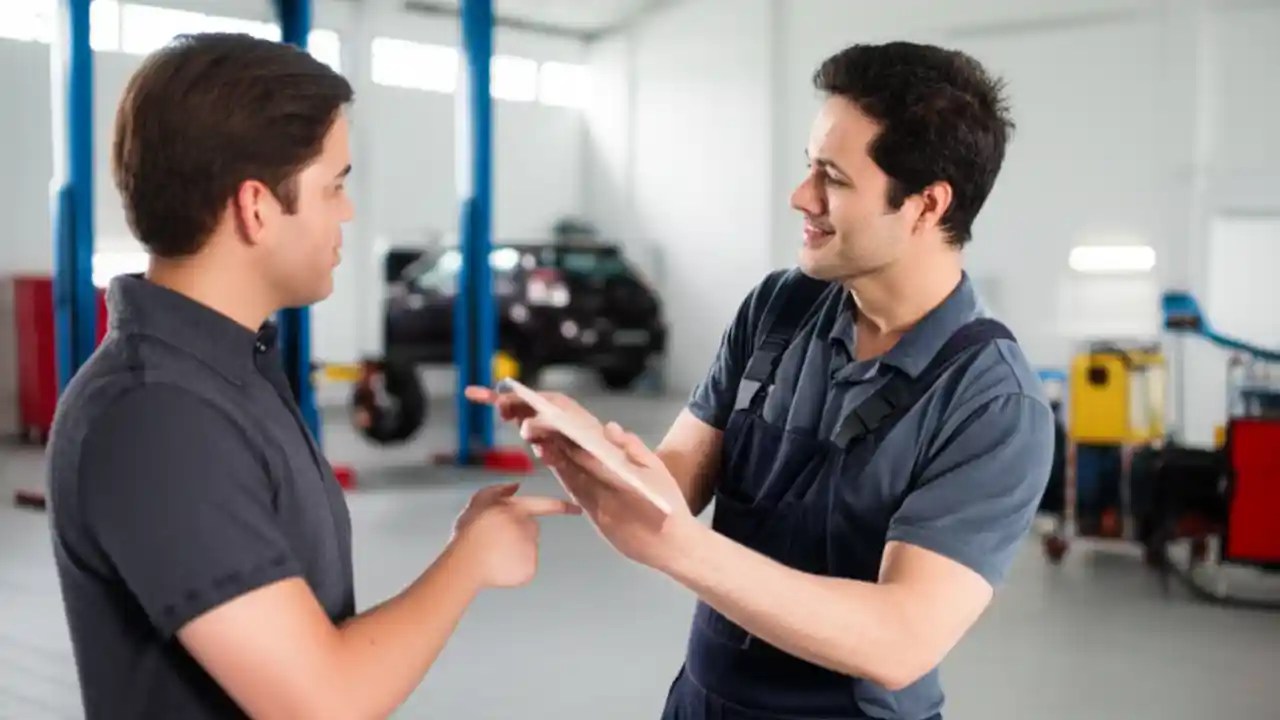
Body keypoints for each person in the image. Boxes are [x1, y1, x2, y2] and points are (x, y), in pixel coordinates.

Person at [470, 41, 1054, 719]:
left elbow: (901, 639)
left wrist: (683, 550)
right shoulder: (781, 307)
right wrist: (582, 451)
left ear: (925, 205)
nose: (800, 196)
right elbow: (672, 489)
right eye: (810, 166)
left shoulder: (992, 403)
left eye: (832, 178)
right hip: (704, 700)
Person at [46, 33, 578, 720]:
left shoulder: (226, 374)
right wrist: (469, 562)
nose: (347, 212)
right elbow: (321, 703)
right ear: (257, 207)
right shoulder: (158, 418)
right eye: (333, 186)